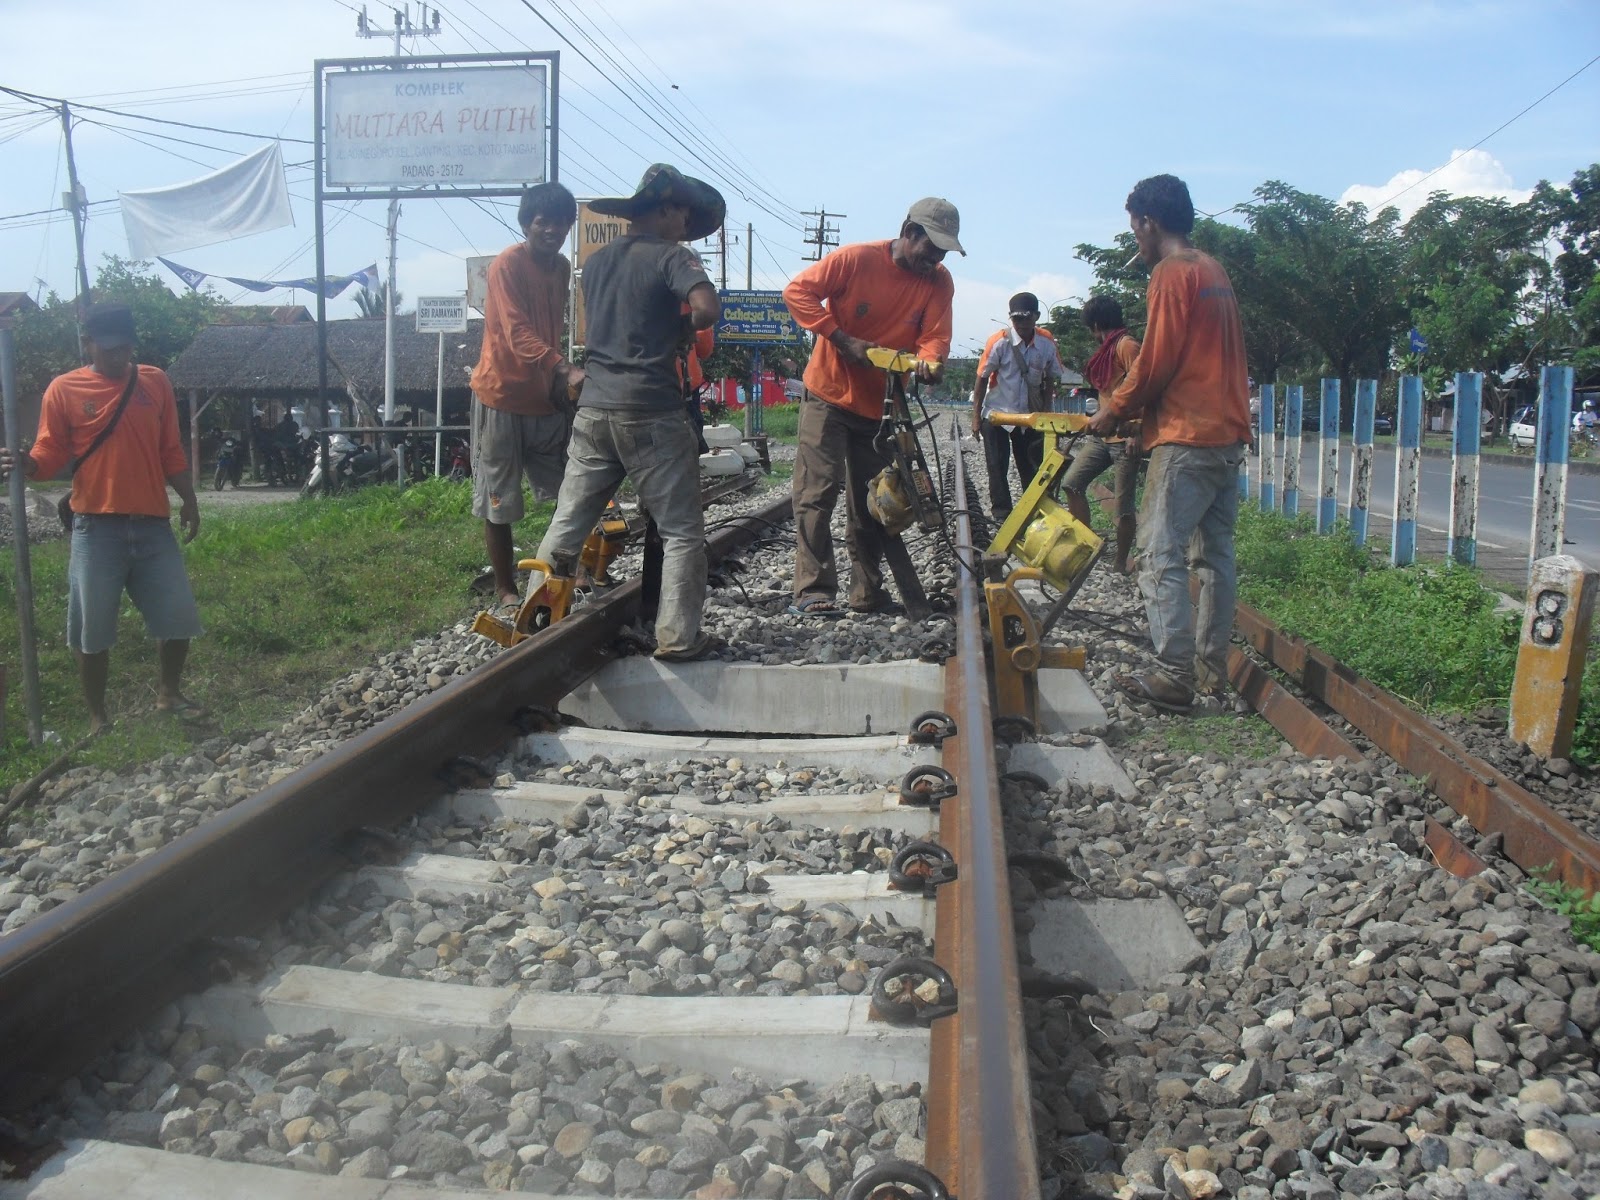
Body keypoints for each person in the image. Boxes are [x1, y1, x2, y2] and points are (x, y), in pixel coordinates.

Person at [533, 164, 724, 661]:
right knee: (682, 530)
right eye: (681, 209)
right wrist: (685, 330)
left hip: (594, 409)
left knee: (570, 520)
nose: (685, 219)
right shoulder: (672, 257)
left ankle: (535, 618)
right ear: (662, 210)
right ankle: (680, 638)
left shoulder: (595, 264)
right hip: (651, 411)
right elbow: (707, 308)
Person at [1087, 174, 1251, 714]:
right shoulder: (1213, 271)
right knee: (1215, 558)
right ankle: (1210, 673)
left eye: (1134, 226)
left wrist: (1114, 409)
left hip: (1189, 437)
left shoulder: (1170, 273)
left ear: (1148, 222)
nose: (1135, 237)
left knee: (1158, 553)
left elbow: (1155, 361)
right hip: (1227, 434)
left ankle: (1174, 674)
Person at [0, 303, 203, 734]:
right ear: (87, 344)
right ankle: (97, 717)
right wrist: (27, 463)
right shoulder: (63, 389)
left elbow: (170, 448)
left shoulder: (154, 381)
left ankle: (169, 693)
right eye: (109, 349)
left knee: (178, 614)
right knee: (91, 627)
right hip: (96, 526)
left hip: (151, 521)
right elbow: (50, 450)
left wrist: (189, 499)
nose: (118, 357)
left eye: (125, 348)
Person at [781, 198, 958, 617]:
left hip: (881, 405)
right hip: (828, 393)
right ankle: (813, 589)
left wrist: (931, 362)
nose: (934, 259)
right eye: (930, 248)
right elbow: (797, 292)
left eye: (942, 253)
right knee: (817, 491)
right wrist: (840, 338)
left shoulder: (939, 281)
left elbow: (935, 335)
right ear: (908, 232)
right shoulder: (855, 260)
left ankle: (867, 593)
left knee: (873, 503)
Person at [468, 181, 581, 609]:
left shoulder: (563, 267)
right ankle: (505, 588)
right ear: (526, 223)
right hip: (501, 396)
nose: (552, 230)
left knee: (569, 492)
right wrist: (565, 367)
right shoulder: (505, 266)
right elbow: (516, 333)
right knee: (499, 498)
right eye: (542, 222)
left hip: (543, 398)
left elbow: (555, 326)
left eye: (561, 223)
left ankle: (565, 571)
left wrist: (558, 378)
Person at [1061, 295, 1143, 573]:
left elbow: (1145, 387)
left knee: (1123, 507)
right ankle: (1089, 547)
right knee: (1071, 483)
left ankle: (1120, 563)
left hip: (1125, 439)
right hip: (1102, 437)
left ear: (1096, 325)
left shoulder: (1127, 346)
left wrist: (1137, 430)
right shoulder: (1109, 350)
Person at [971, 292, 1064, 522]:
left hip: (1030, 417)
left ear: (1036, 317)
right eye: (1016, 319)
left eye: (1026, 318)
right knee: (996, 466)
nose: (1021, 324)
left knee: (1031, 467)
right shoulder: (999, 342)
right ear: (1010, 318)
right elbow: (982, 378)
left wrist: (1047, 413)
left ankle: (1033, 512)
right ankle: (1003, 515)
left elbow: (1051, 377)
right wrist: (975, 418)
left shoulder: (1046, 342)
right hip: (997, 415)